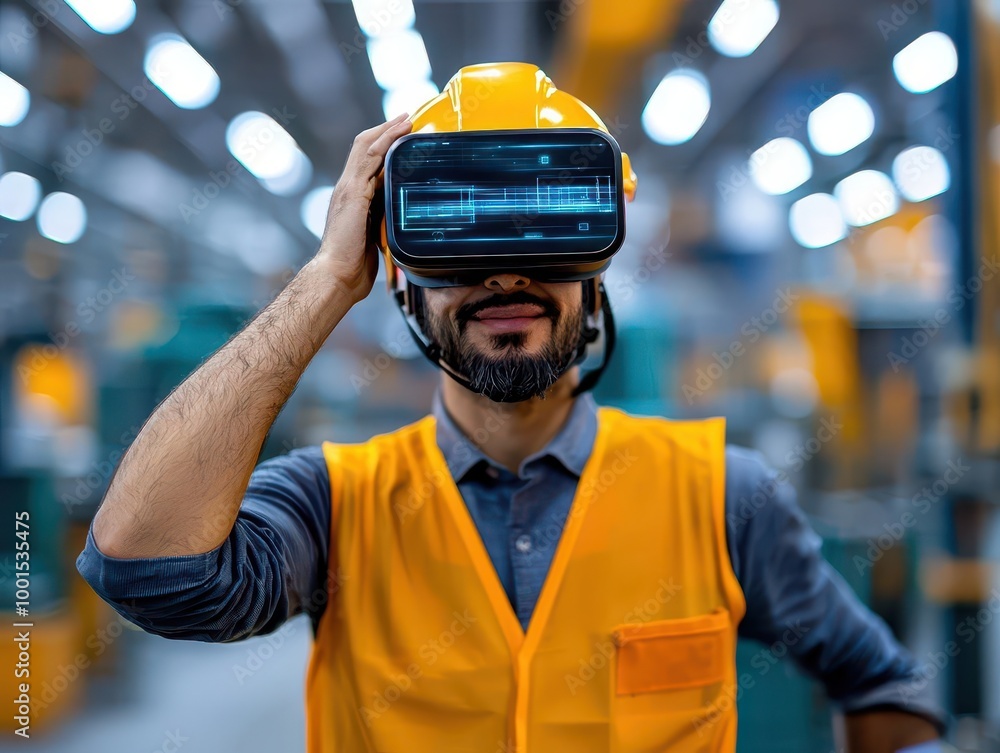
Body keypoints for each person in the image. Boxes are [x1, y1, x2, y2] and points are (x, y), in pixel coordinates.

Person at [78, 63, 944, 752]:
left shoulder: (721, 495)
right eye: (458, 240)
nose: (504, 276)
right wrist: (325, 282)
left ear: (596, 272)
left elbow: (882, 685)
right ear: (400, 282)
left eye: (544, 234)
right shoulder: (335, 505)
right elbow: (142, 567)